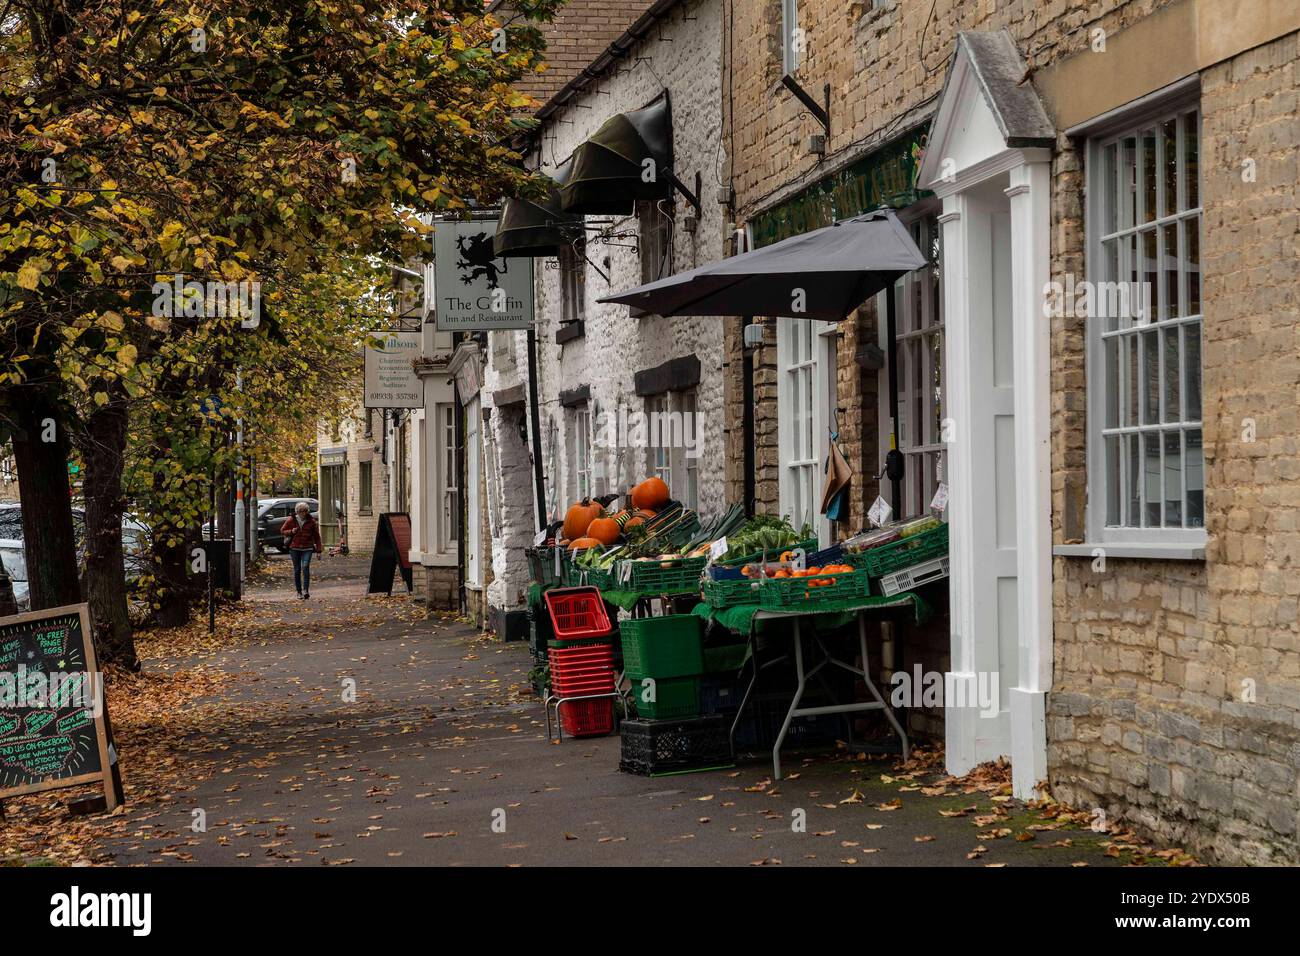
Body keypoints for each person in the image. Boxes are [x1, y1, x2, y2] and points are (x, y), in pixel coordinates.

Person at [280, 502, 323, 599]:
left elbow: (317, 537)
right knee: (297, 569)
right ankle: (299, 592)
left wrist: (319, 551)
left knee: (305, 567)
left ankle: (305, 590)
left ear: (307, 511)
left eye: (304, 511)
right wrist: (291, 531)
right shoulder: (291, 520)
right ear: (297, 512)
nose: (303, 513)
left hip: (307, 548)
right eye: (300, 511)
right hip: (294, 548)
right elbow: (282, 530)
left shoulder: (312, 521)